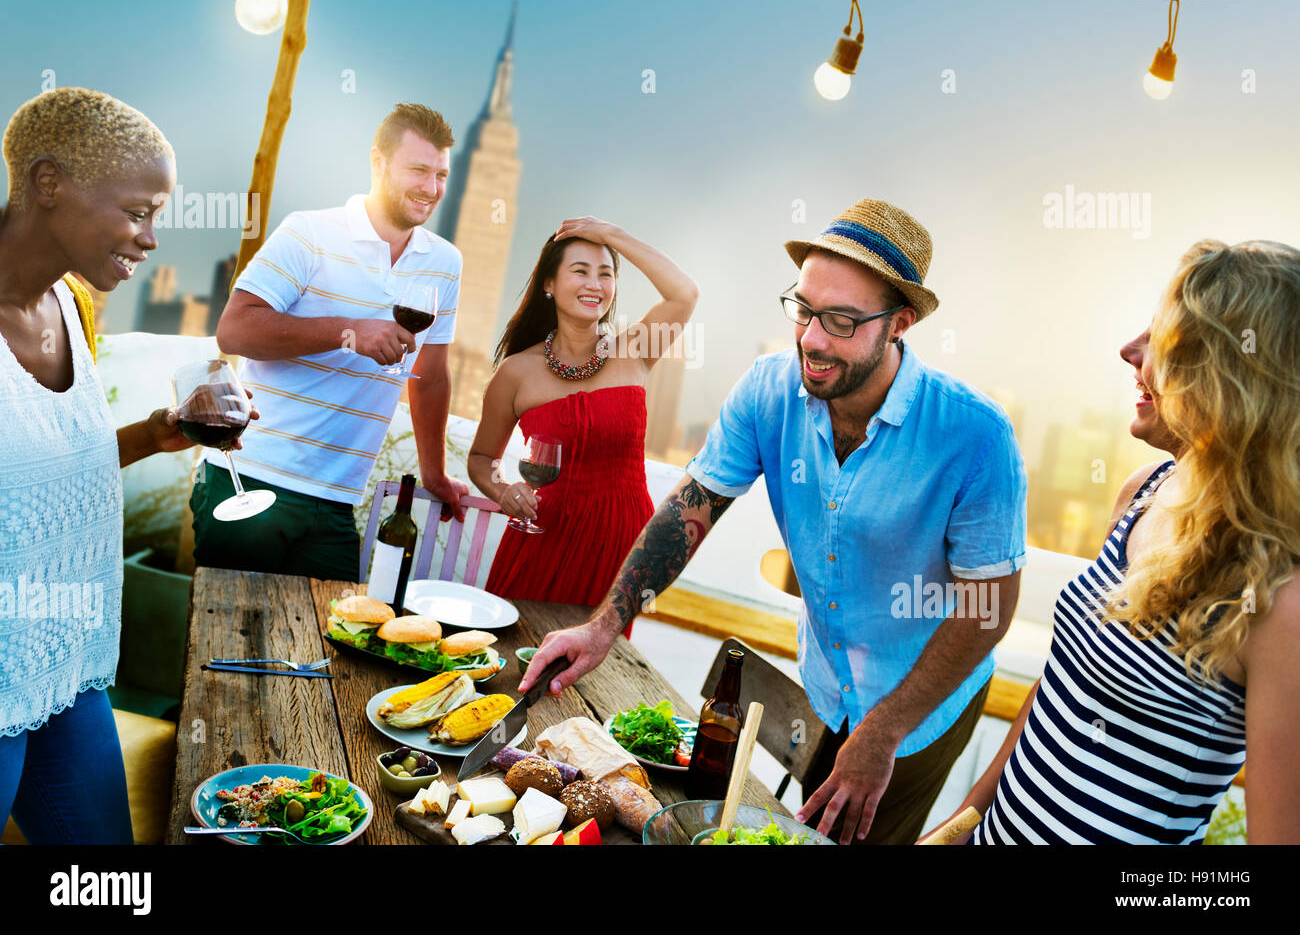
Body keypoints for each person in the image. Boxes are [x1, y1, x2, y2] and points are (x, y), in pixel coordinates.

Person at [522, 198, 1028, 845]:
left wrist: (882, 730)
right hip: (826, 681)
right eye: (805, 309)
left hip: (923, 708)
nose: (813, 338)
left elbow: (989, 607)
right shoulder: (768, 389)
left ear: (899, 322)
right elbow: (690, 508)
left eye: (841, 320)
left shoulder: (975, 434)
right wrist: (603, 625)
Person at [953, 240, 1300, 845]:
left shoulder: (1280, 603)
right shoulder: (1142, 493)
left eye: (1164, 341)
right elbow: (1060, 690)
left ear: (1233, 381)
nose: (1129, 350)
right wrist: (963, 824)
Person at [0, 87, 225, 843]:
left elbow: (57, 454)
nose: (151, 238)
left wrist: (160, 432)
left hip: (68, 660)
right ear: (48, 184)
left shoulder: (73, 304)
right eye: (137, 211)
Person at [200, 103, 470, 578]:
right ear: (378, 162)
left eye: (442, 174)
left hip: (337, 500)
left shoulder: (444, 263)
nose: (431, 189)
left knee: (328, 649)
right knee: (229, 644)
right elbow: (235, 329)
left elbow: (429, 376)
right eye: (419, 170)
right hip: (251, 479)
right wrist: (348, 332)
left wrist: (434, 474)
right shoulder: (309, 233)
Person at [469, 217, 698, 616]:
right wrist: (504, 492)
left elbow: (684, 293)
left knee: (595, 671)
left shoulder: (635, 349)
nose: (595, 284)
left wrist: (613, 234)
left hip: (621, 549)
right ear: (549, 284)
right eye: (580, 271)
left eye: (605, 274)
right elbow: (480, 459)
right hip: (542, 537)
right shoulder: (516, 372)